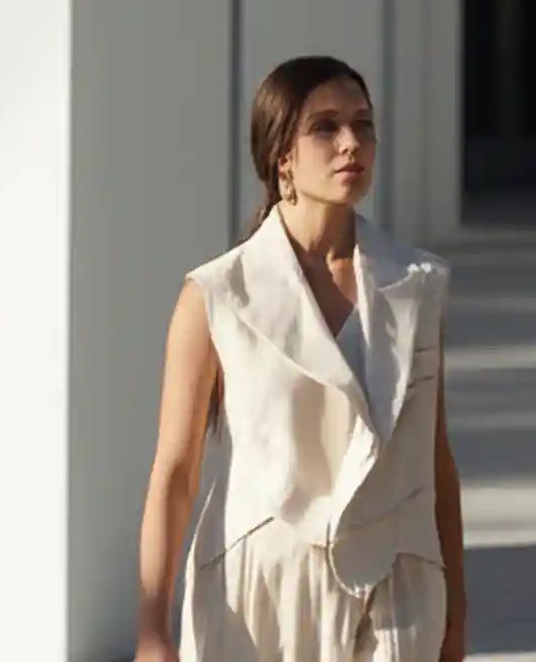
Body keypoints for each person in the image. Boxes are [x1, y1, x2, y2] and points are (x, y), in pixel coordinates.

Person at [134, 55, 467, 661]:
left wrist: (456, 619)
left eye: (363, 125)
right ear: (281, 155)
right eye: (326, 127)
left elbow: (436, 461)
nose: (351, 144)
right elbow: (175, 473)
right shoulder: (217, 294)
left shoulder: (418, 285)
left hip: (398, 595)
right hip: (260, 600)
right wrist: (153, 627)